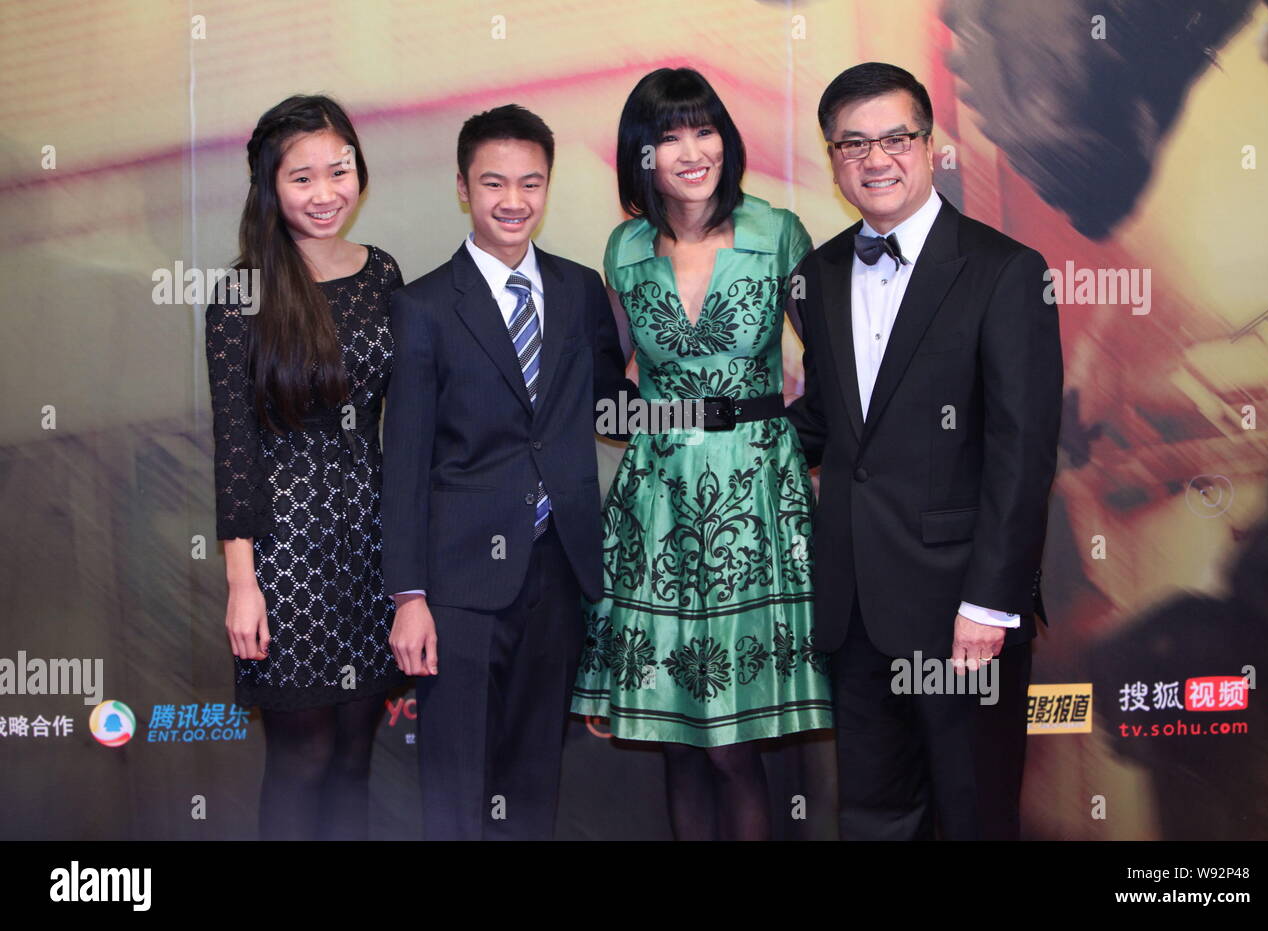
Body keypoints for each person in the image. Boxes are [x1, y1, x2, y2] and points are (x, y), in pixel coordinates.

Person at [786, 62, 1063, 840]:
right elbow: (831, 423)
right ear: (834, 157)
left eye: (896, 138)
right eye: (853, 143)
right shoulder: (815, 274)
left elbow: (1023, 449)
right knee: (874, 816)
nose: (876, 159)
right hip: (853, 609)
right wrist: (713, 434)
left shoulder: (1007, 271)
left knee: (972, 813)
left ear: (930, 144)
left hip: (960, 608)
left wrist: (990, 600)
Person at [570, 67, 833, 841]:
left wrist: (785, 446)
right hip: (658, 506)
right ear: (639, 158)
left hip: (755, 500)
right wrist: (644, 421)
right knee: (678, 741)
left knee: (731, 744)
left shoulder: (777, 231)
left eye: (704, 129)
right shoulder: (623, 249)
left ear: (727, 138)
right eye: (666, 137)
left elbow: (835, 367)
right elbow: (608, 394)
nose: (691, 151)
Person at [381, 104, 636, 840]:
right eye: (495, 183)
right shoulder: (424, 306)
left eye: (532, 182)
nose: (514, 201)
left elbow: (608, 409)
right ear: (463, 187)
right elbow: (405, 459)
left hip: (557, 567)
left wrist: (683, 386)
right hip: (457, 582)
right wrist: (409, 594)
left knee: (534, 775)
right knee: (455, 783)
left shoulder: (581, 287)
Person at [205, 94, 407, 841]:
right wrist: (241, 583)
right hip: (286, 560)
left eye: (340, 171)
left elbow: (410, 420)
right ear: (270, 185)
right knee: (302, 757)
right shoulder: (241, 297)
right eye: (302, 178)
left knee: (355, 755)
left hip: (370, 549)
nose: (326, 194)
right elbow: (236, 449)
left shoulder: (383, 272)